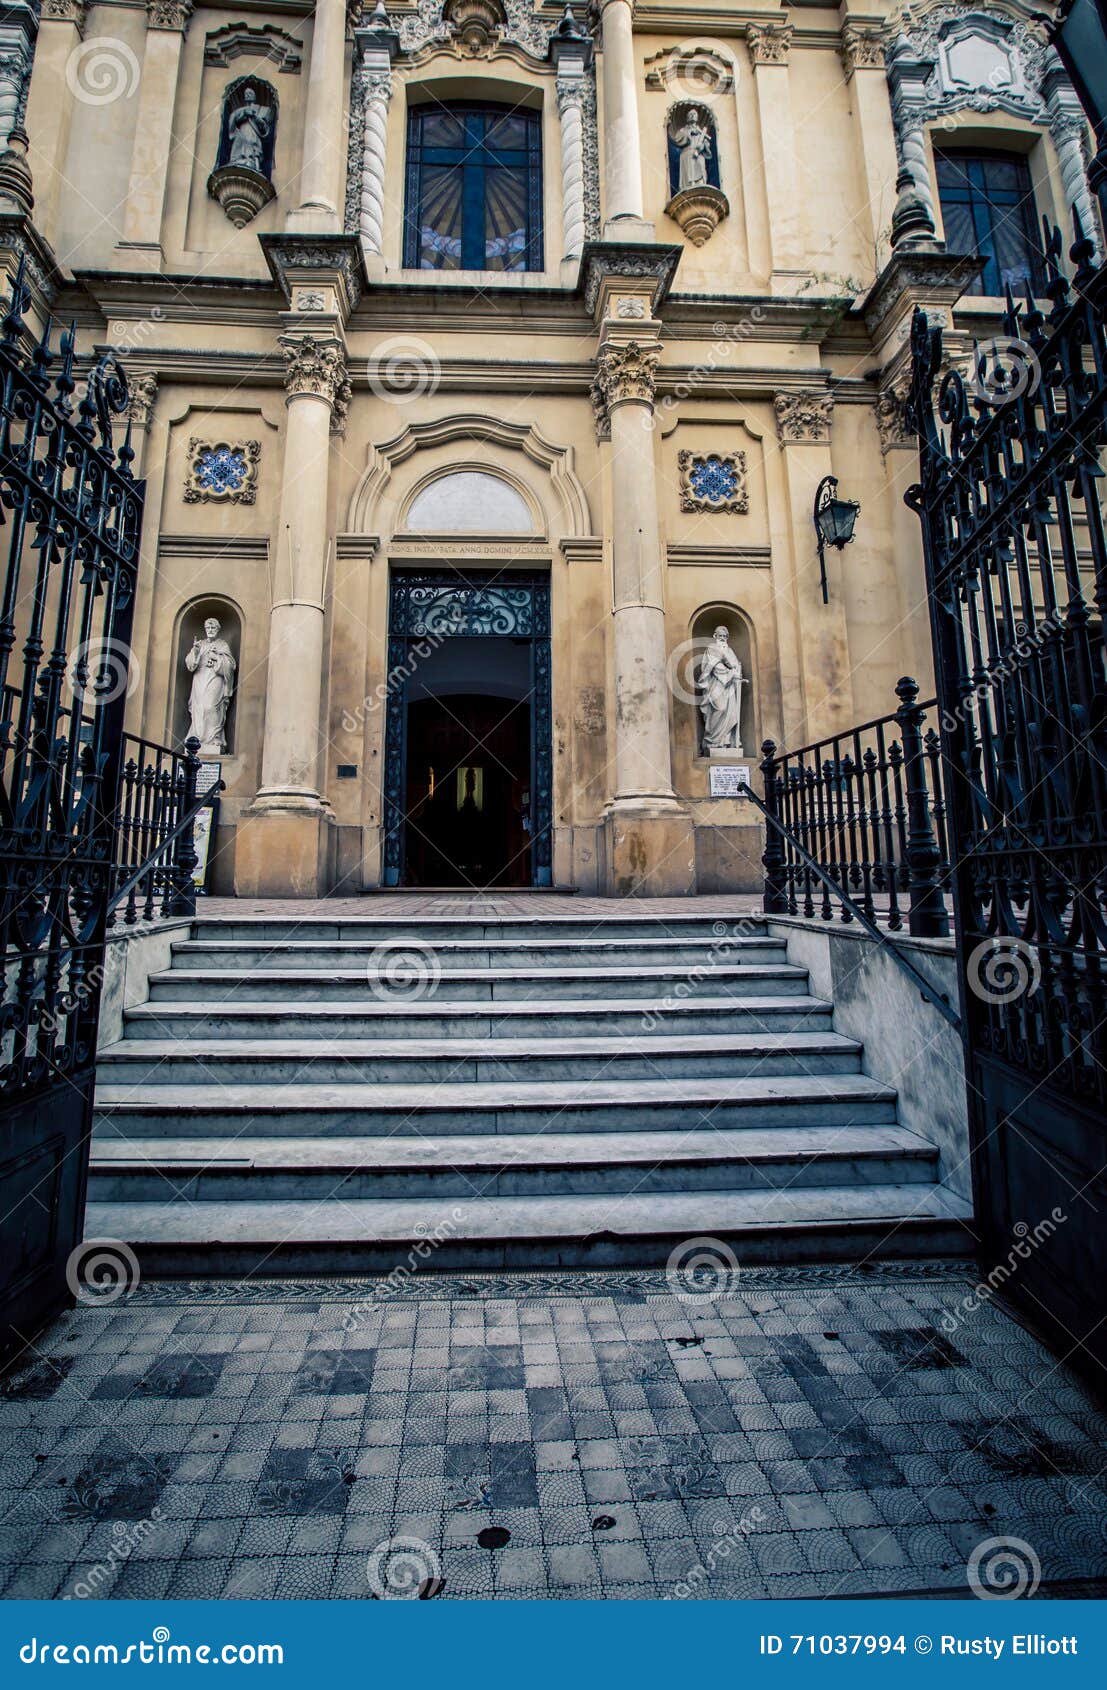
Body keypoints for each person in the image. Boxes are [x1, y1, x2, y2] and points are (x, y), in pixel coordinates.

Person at [185, 618, 236, 753]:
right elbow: (190, 665)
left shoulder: (222, 645)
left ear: (218, 629)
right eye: (208, 628)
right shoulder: (199, 644)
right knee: (198, 707)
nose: (210, 630)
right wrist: (195, 652)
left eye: (213, 628)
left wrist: (216, 657)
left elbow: (230, 665)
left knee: (211, 707)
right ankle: (197, 737)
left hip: (215, 678)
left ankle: (214, 737)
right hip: (199, 679)